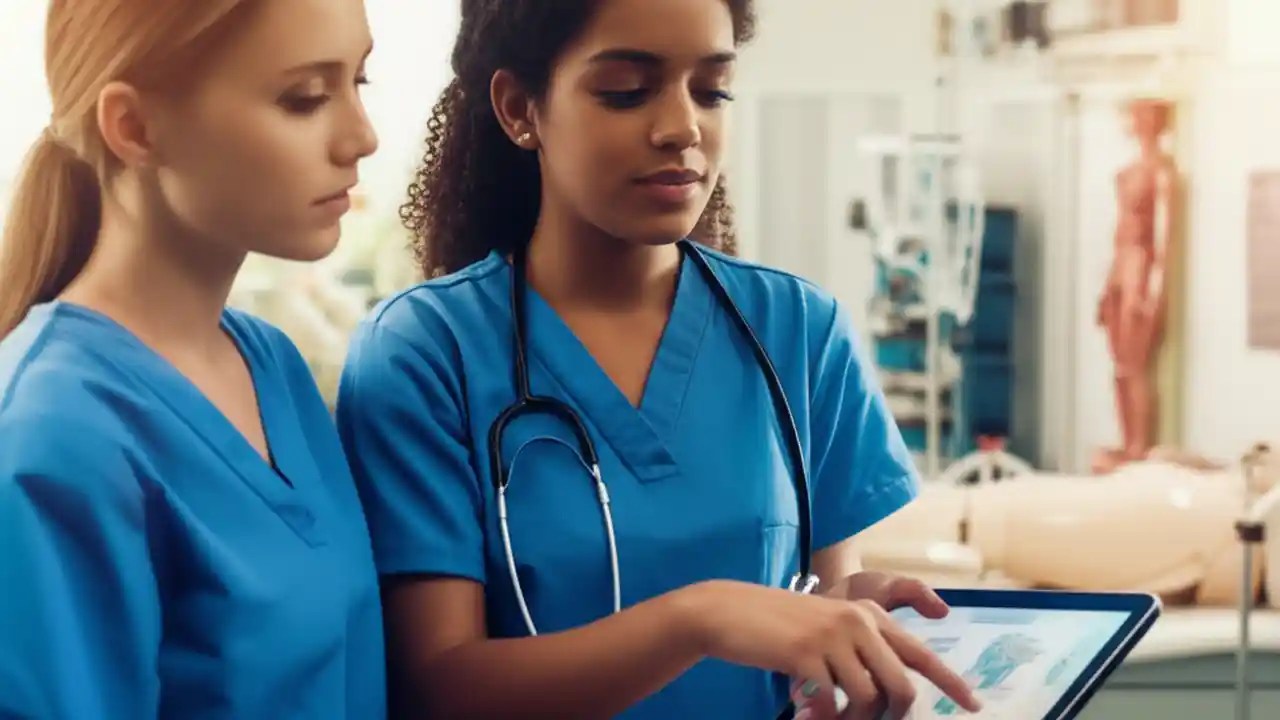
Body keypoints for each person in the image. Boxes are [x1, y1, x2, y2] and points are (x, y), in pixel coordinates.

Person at [337, 1, 982, 718]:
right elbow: (437, 683)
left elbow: (820, 593)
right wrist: (699, 619)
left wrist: (841, 620)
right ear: (520, 108)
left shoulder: (797, 330)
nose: (683, 128)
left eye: (712, 90)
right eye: (625, 92)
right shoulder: (425, 353)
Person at [0, 1, 382, 718]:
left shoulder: (273, 365)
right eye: (303, 99)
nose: (362, 137)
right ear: (135, 128)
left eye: (360, 80)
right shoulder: (52, 435)